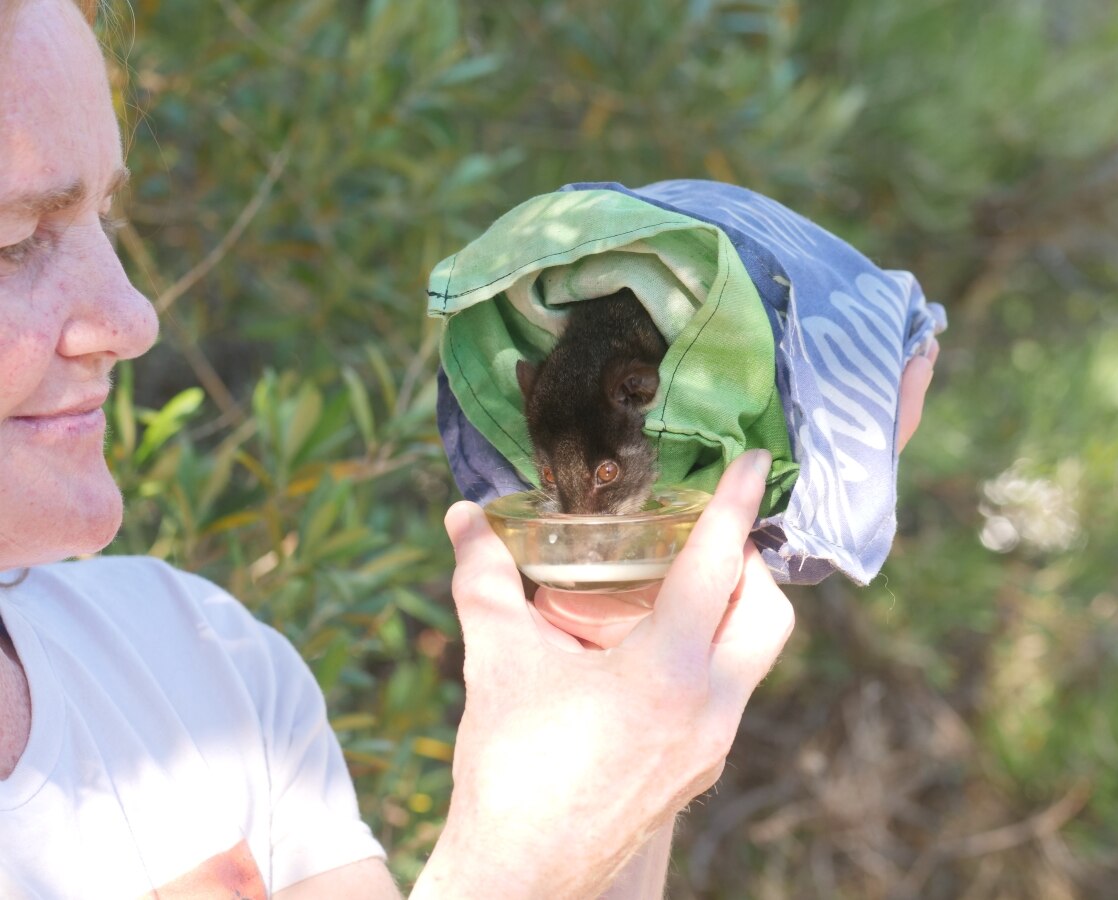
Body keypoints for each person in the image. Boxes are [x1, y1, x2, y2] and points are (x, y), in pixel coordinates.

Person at [0, 0, 937, 896]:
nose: (134, 317)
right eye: (13, 241)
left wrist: (614, 751)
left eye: (107, 219)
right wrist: (508, 873)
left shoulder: (198, 663)